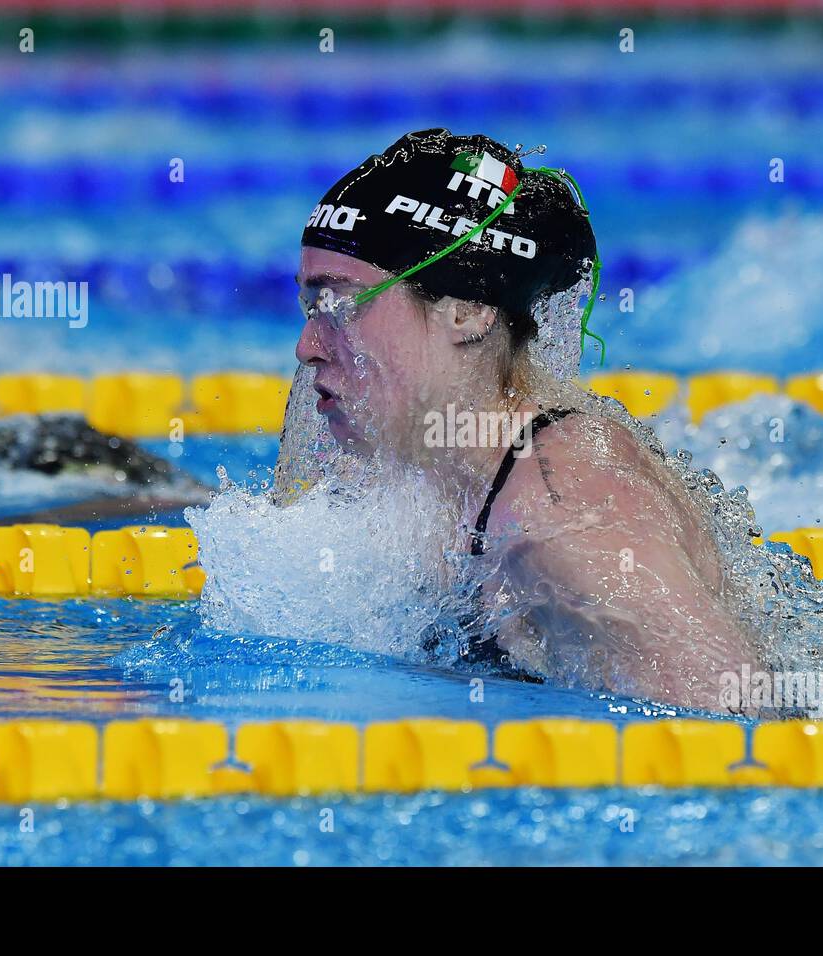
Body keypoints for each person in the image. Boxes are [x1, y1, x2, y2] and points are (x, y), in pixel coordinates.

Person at [292, 128, 763, 710]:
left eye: (340, 305)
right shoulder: (440, 471)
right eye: (310, 308)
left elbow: (749, 737)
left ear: (467, 311)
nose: (308, 345)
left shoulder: (561, 524)